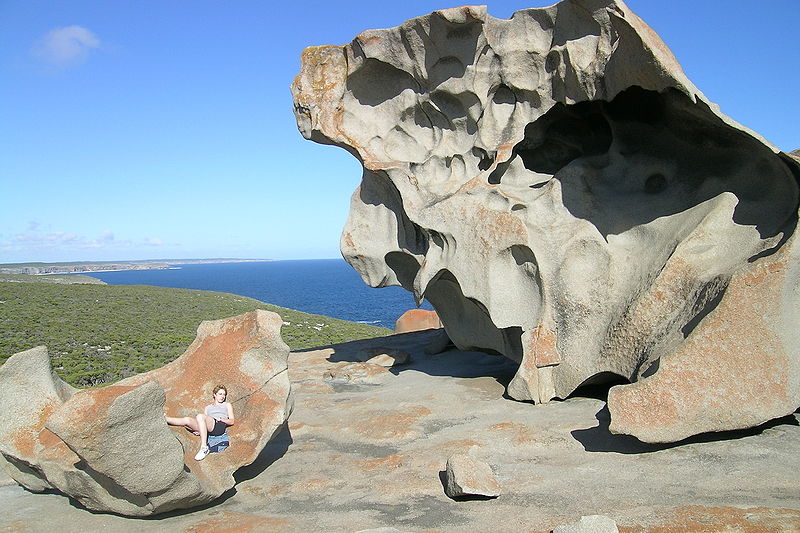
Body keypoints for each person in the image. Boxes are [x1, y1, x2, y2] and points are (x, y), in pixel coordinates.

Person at [166, 384, 235, 461]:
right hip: (210, 427)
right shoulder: (208, 408)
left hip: (219, 426)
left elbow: (232, 421)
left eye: (224, 395)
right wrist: (201, 431)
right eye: (220, 394)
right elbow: (204, 422)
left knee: (200, 416)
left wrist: (221, 419)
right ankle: (165, 419)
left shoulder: (227, 405)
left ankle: (204, 448)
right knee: (187, 420)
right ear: (214, 395)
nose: (222, 396)